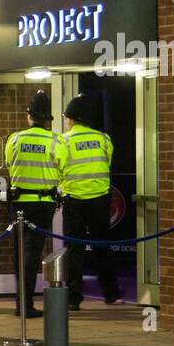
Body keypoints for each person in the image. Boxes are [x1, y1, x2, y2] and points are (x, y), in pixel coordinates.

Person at [5, 92, 66, 318]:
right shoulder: (56, 141)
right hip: (44, 204)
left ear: (29, 116)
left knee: (21, 254)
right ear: (47, 120)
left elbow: (11, 165)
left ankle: (22, 301)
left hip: (20, 203)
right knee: (32, 254)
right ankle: (25, 304)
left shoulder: (15, 139)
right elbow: (63, 169)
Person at [60, 95, 120, 311]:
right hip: (100, 200)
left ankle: (74, 297)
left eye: (66, 117)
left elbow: (58, 167)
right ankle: (110, 292)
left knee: (74, 250)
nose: (65, 121)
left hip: (74, 199)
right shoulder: (104, 139)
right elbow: (107, 162)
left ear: (73, 119)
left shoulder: (64, 141)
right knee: (102, 247)